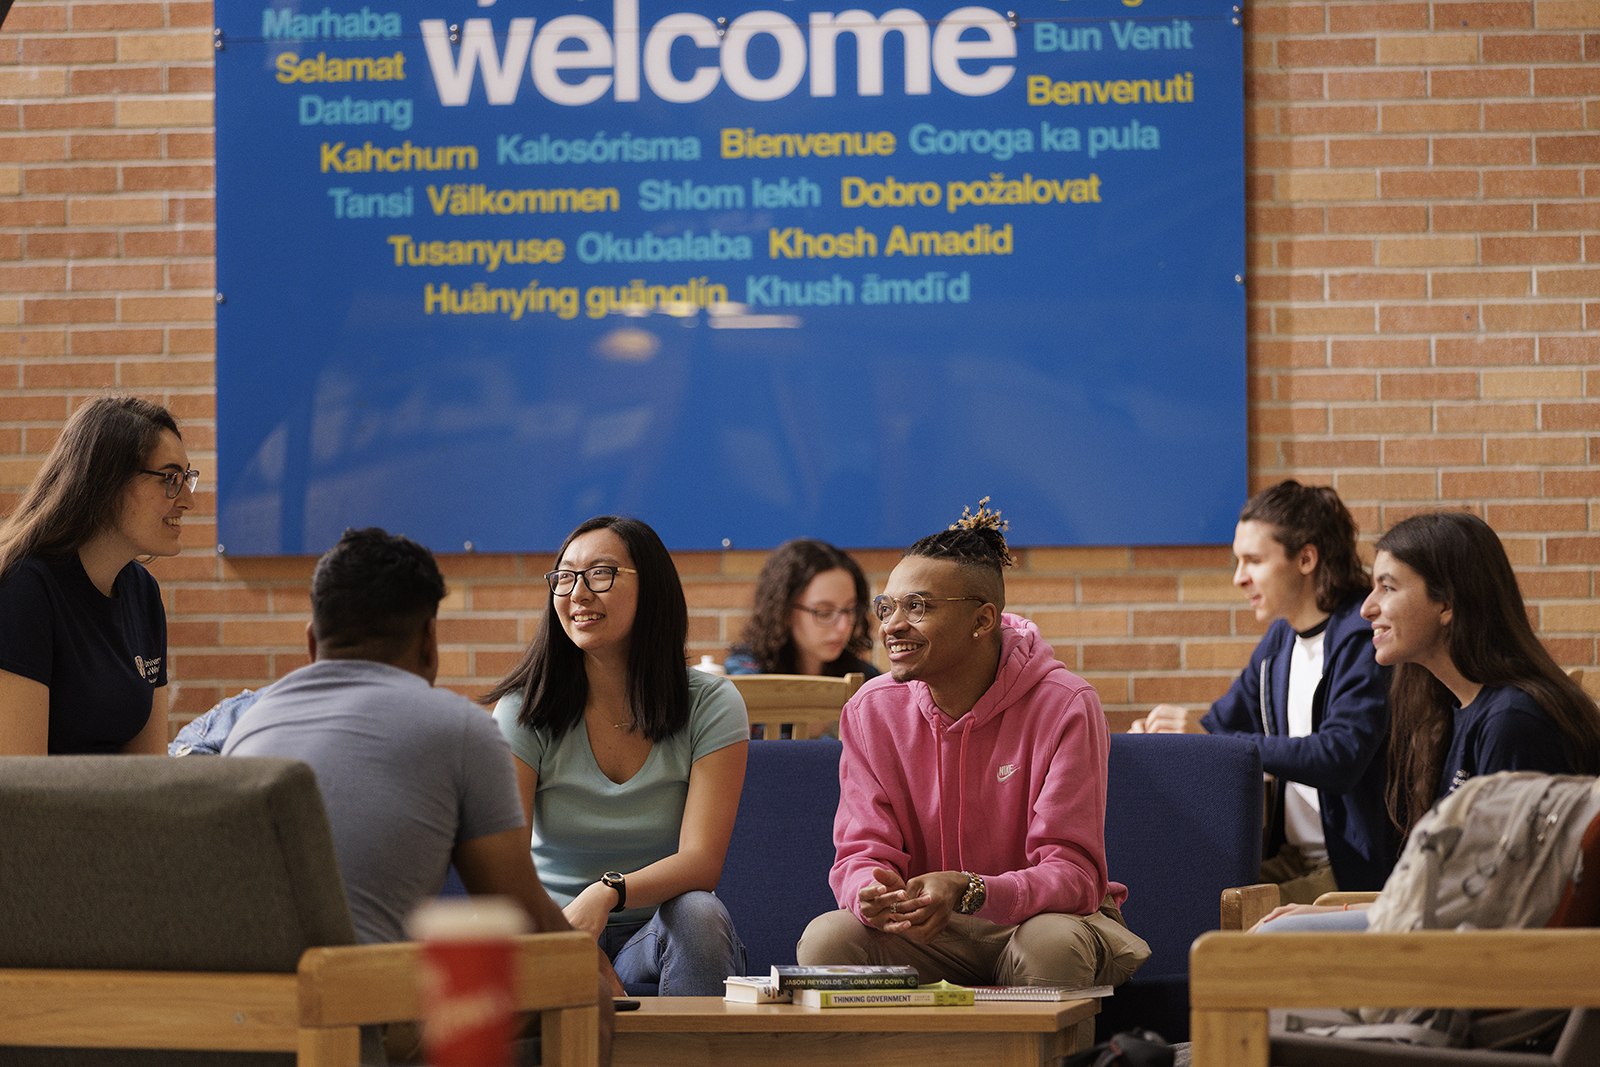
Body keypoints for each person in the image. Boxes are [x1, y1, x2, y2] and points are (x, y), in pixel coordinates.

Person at [222, 528, 615, 1063]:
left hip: (244, 1014)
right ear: (430, 642)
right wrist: (581, 958)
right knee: (581, 989)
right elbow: (521, 919)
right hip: (359, 1011)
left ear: (312, 642)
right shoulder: (456, 728)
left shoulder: (250, 725)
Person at [797, 500, 1150, 988]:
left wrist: (972, 890)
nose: (891, 626)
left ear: (982, 621)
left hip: (1041, 923)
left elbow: (1074, 876)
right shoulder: (871, 710)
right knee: (828, 940)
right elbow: (860, 852)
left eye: (916, 606)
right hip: (928, 934)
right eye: (887, 607)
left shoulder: (1066, 704)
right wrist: (868, 892)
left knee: (1049, 943)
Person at [1259, 511, 1600, 932]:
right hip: (1448, 929)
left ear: (1447, 604)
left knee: (1274, 934)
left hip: (1496, 960)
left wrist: (1348, 916)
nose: (1367, 608)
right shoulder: (1453, 711)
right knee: (1275, 926)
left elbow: (1503, 900)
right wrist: (1343, 912)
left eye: (1388, 587)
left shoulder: (1514, 723)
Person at [484, 515, 749, 996]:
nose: (578, 594)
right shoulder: (522, 710)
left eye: (600, 574)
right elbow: (506, 867)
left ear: (652, 589)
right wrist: (569, 943)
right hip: (555, 927)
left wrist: (606, 893)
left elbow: (701, 862)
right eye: (564, 577)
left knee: (698, 911)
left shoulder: (711, 703)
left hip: (659, 932)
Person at [1130, 481, 1396, 899]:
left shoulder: (1363, 637)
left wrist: (1212, 740)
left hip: (1353, 869)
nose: (1239, 578)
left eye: (1253, 560)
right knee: (1180, 896)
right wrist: (1159, 743)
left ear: (1306, 558)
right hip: (1295, 856)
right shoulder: (1280, 642)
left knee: (1222, 918)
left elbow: (1339, 756)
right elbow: (1217, 727)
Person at [0, 395, 196, 756]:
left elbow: (148, 776)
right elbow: (22, 791)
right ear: (107, 483)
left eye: (187, 478)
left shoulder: (143, 593)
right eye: (170, 478)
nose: (187, 500)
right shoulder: (23, 589)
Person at [724, 538, 881, 680]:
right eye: (824, 613)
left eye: (849, 610)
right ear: (784, 612)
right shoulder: (745, 673)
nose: (844, 627)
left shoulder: (864, 677)